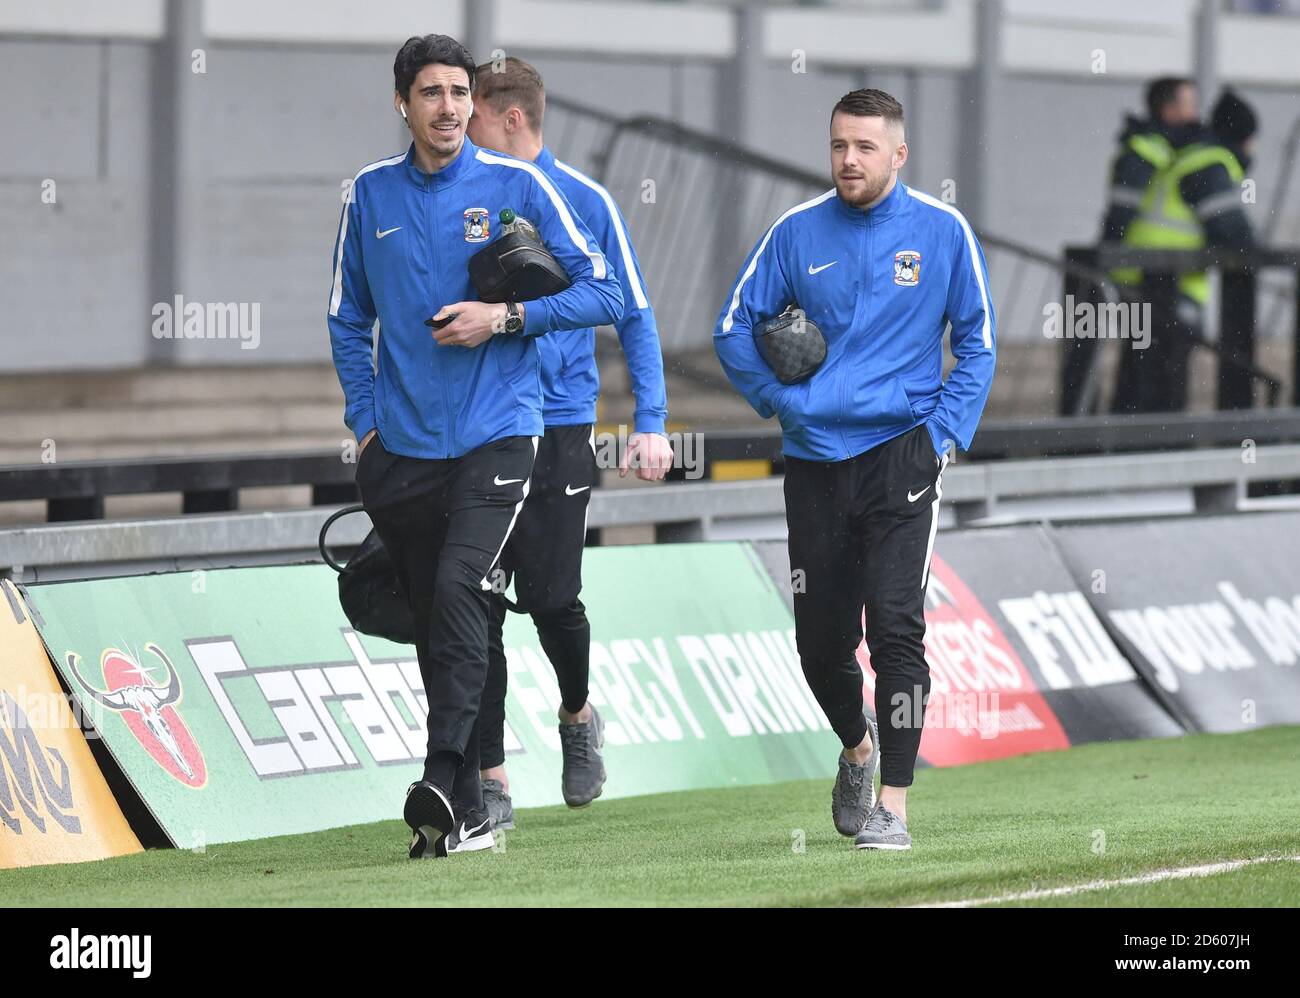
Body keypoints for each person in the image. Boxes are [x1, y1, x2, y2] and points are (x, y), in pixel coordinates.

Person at [326, 34, 623, 858]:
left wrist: (507, 318)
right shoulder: (369, 197)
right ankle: (465, 807)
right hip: (405, 449)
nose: (450, 107)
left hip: (504, 432)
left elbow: (605, 290)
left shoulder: (516, 184)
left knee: (463, 586)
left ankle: (444, 768)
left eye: (460, 92)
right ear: (403, 103)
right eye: (432, 93)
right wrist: (366, 421)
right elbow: (347, 317)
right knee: (438, 617)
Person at [713, 88, 995, 851]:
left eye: (866, 147)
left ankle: (894, 807)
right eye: (840, 145)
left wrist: (941, 436)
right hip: (814, 462)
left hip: (903, 457)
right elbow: (733, 326)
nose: (848, 159)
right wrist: (777, 399)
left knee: (897, 629)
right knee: (821, 643)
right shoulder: (797, 232)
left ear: (898, 155)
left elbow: (978, 344)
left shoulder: (942, 232)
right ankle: (858, 750)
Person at [466, 57, 672, 828]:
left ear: (509, 117)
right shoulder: (468, 199)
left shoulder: (584, 201)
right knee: (477, 602)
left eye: (473, 114)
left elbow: (636, 313)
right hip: (483, 424)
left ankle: (577, 717)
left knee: (552, 599)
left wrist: (649, 423)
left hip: (559, 423)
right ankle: (491, 779)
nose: (460, 129)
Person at [1104, 79, 1255, 413]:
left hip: (1151, 280)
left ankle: (1132, 443)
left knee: (1141, 367)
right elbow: (1233, 231)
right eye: (1189, 104)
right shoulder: (1171, 155)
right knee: (1160, 372)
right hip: (1159, 282)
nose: (1195, 113)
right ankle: (1154, 445)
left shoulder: (1165, 151)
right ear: (1167, 108)